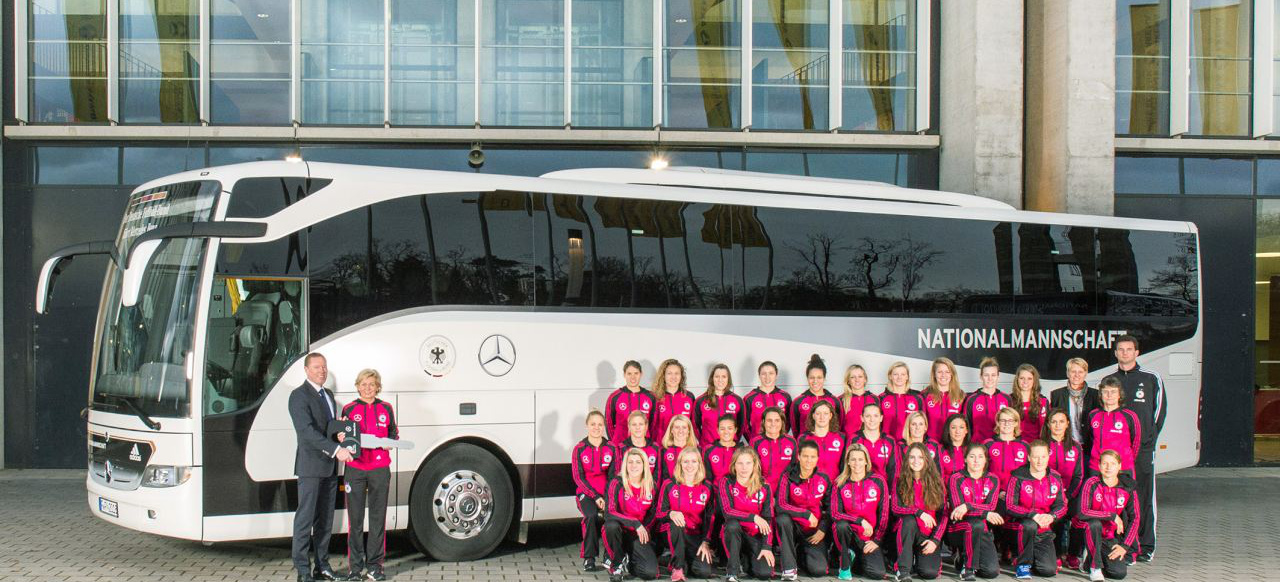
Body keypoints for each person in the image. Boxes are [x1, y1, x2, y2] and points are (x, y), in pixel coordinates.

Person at [1102, 334, 1165, 562]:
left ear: (1137, 352)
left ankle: (1146, 546)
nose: (1125, 353)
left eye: (1129, 349)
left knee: (1144, 498)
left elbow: (1159, 413)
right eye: (1121, 349)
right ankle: (1124, 546)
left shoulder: (1151, 378)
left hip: (1142, 452)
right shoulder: (1109, 379)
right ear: (1115, 353)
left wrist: (1148, 441)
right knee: (1118, 500)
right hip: (1115, 456)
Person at [288, 353, 350, 582]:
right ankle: (303, 571)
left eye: (324, 367)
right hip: (311, 467)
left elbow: (328, 428)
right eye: (316, 367)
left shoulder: (329, 395)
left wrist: (341, 432)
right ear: (306, 370)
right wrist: (336, 450)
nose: (321, 371)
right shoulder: (298, 396)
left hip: (329, 468)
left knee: (325, 521)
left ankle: (322, 566)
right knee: (305, 520)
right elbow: (306, 432)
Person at [340, 369, 398, 581]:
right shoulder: (349, 409)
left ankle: (375, 567)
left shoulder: (386, 408)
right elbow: (341, 436)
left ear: (377, 387)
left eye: (371, 384)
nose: (367, 388)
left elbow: (393, 433)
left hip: (380, 470)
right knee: (355, 520)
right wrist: (340, 437)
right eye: (363, 384)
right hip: (355, 468)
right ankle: (355, 569)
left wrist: (389, 443)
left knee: (377, 519)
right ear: (357, 386)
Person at [1002, 440, 1067, 580]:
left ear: (1048, 457)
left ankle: (1030, 556)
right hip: (1020, 527)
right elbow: (1009, 506)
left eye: (1043, 457)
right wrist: (1032, 515)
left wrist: (1052, 516)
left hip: (1044, 530)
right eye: (1036, 457)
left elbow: (1062, 505)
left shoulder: (1055, 477)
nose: (1039, 461)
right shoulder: (1017, 476)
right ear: (1028, 458)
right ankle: (1022, 564)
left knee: (1048, 570)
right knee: (1029, 525)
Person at [1072, 450, 1140, 582]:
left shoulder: (1127, 487)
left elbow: (1135, 518)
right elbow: (1082, 512)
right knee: (1094, 523)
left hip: (1108, 536)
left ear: (1119, 466)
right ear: (1099, 466)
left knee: (1119, 573)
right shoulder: (1092, 483)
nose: (1108, 467)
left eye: (1113, 464)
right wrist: (1112, 516)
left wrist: (1124, 546)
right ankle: (1095, 568)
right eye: (1105, 463)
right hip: (1086, 531)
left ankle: (1089, 560)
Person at [830, 444, 890, 581]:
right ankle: (844, 566)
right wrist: (860, 521)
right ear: (848, 462)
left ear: (866, 461)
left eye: (860, 459)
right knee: (841, 525)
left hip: (868, 538)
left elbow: (884, 514)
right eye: (853, 459)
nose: (857, 463)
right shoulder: (839, 483)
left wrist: (877, 540)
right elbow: (835, 513)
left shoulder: (878, 481)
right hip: (848, 534)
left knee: (878, 573)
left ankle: (854, 559)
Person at [774, 441, 832, 580]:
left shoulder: (823, 478)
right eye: (805, 456)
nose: (809, 460)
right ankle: (789, 568)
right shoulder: (787, 477)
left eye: (812, 457)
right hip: (793, 527)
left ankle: (801, 554)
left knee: (819, 571)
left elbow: (830, 508)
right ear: (798, 457)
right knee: (782, 519)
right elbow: (780, 504)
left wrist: (822, 529)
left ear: (818, 458)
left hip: (813, 530)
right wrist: (805, 514)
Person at [657, 448, 717, 581]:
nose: (690, 465)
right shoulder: (669, 484)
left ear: (699, 464)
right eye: (686, 462)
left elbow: (710, 517)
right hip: (673, 532)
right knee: (677, 523)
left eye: (694, 461)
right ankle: (677, 567)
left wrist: (705, 542)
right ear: (679, 464)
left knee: (703, 571)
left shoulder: (707, 486)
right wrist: (671, 513)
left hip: (694, 535)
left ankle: (681, 560)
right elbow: (659, 513)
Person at [890, 443, 948, 581]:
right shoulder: (899, 480)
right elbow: (896, 508)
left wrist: (935, 540)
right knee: (908, 520)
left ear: (927, 459)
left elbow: (943, 515)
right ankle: (903, 570)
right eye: (912, 457)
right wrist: (919, 512)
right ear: (907, 459)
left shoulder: (937, 482)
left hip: (928, 535)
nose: (916, 461)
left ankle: (917, 558)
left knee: (929, 573)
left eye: (920, 457)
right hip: (908, 532)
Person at [945, 443, 1001, 581]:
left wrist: (968, 505)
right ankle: (967, 567)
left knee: (991, 572)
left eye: (980, 457)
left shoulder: (993, 479)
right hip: (958, 528)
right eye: (972, 456)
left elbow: (991, 506)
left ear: (986, 460)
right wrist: (983, 513)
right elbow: (958, 510)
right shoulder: (956, 478)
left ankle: (963, 557)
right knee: (975, 524)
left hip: (982, 530)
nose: (976, 460)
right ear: (965, 459)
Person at [718, 448, 777, 581]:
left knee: (764, 573)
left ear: (754, 464)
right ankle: (732, 571)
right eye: (740, 463)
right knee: (732, 525)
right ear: (734, 465)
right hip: (734, 532)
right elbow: (727, 511)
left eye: (748, 463)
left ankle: (746, 560)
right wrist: (754, 517)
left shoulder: (764, 486)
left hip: (754, 535)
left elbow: (768, 519)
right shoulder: (726, 482)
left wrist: (767, 546)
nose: (744, 468)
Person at [603, 448, 660, 581]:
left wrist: (645, 530)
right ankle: (616, 563)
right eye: (630, 462)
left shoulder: (652, 486)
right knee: (611, 526)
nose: (634, 465)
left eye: (638, 462)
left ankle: (629, 562)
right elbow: (609, 512)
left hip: (637, 533)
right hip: (619, 531)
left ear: (644, 465)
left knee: (650, 573)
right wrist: (635, 523)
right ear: (625, 465)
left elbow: (653, 513)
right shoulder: (616, 483)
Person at [572, 410, 614, 573]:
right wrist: (595, 496)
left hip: (607, 493)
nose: (596, 427)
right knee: (590, 517)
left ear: (603, 426)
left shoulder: (611, 447)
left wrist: (606, 496)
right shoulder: (580, 448)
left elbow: (613, 474)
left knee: (612, 518)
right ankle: (589, 558)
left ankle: (609, 555)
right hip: (586, 493)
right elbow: (578, 477)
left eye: (600, 424)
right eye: (593, 424)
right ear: (587, 426)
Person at [1043, 408, 1084, 567]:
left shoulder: (1075, 446)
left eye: (1061, 421)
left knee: (1079, 516)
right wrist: (1054, 495)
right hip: (1048, 494)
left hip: (1070, 494)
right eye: (1053, 422)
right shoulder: (1042, 445)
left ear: (1067, 423)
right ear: (1048, 424)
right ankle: (1058, 553)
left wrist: (1068, 495)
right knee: (1056, 518)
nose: (1057, 425)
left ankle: (1073, 554)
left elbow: (1079, 475)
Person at [1083, 378, 1140, 477]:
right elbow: (1089, 440)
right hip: (1097, 467)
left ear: (1119, 395)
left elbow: (1136, 442)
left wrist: (1126, 460)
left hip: (1123, 468)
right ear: (1101, 395)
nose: (1109, 395)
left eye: (1113, 392)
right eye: (1105, 392)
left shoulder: (1129, 416)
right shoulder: (1093, 415)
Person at [1049, 358, 1100, 444]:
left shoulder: (1096, 395)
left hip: (1089, 446)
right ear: (1068, 373)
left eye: (1080, 372)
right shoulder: (1057, 395)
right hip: (1065, 444)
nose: (1077, 375)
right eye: (1073, 371)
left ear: (1086, 374)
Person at [848, 402, 898, 485]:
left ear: (881, 418)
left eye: (875, 416)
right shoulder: (854, 439)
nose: (872, 419)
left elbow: (894, 470)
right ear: (862, 418)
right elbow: (847, 466)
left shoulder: (889, 441)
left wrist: (890, 492)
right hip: (859, 488)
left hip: (883, 489)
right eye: (868, 416)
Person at [791, 354, 841, 437]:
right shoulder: (798, 402)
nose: (815, 381)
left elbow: (839, 426)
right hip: (805, 447)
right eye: (812, 377)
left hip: (829, 447)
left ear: (824, 378)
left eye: (819, 377)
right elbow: (795, 430)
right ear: (807, 378)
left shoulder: (835, 401)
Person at [695, 363, 744, 445]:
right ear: (712, 378)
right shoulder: (700, 400)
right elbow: (695, 426)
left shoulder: (737, 400)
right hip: (708, 449)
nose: (720, 380)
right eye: (717, 376)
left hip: (731, 449)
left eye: (724, 377)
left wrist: (733, 442)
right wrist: (704, 442)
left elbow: (742, 426)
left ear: (728, 379)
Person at [750, 407, 798, 492]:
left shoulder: (791, 441)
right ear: (763, 422)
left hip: (786, 490)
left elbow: (795, 469)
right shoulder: (756, 442)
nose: (773, 424)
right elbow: (753, 470)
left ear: (782, 422)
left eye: (777, 420)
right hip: (763, 490)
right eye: (769, 420)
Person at [606, 360, 654, 443]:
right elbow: (609, 423)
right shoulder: (614, 397)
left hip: (643, 447)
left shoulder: (650, 397)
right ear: (624, 375)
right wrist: (614, 444)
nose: (633, 377)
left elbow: (654, 425)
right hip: (620, 446)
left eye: (636, 373)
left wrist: (650, 444)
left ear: (641, 374)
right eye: (629, 374)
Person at [964, 358, 1011, 443]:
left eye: (993, 375)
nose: (990, 378)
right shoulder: (972, 399)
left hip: (1000, 447)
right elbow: (966, 426)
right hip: (978, 448)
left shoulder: (1006, 399)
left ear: (998, 376)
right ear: (981, 376)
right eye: (986, 375)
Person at [985, 407, 1029, 495]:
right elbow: (982, 471)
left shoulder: (1025, 446)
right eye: (1003, 420)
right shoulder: (988, 444)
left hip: (1019, 494)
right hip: (993, 493)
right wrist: (997, 491)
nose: (1006, 424)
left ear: (1016, 423)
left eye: (1010, 421)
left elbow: (1029, 473)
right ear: (997, 422)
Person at [743, 361, 792, 440]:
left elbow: (789, 422)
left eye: (771, 373)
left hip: (779, 444)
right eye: (764, 374)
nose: (767, 377)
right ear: (759, 376)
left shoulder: (785, 397)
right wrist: (753, 441)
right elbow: (744, 425)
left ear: (776, 375)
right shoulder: (749, 398)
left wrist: (781, 438)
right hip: (757, 446)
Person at [922, 358, 966, 443]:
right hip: (931, 446)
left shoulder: (961, 396)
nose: (943, 375)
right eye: (939, 372)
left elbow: (965, 425)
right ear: (934, 374)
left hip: (953, 446)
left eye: (947, 372)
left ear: (952, 374)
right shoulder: (924, 395)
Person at [799, 400, 844, 480]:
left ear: (830, 416)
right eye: (818, 413)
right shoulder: (803, 438)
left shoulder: (841, 438)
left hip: (835, 486)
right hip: (812, 487)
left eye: (825, 414)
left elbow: (844, 466)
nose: (822, 417)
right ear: (813, 416)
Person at [652, 359, 695, 444]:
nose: (673, 377)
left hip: (684, 447)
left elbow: (694, 425)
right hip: (661, 446)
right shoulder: (655, 397)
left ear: (681, 376)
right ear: (663, 376)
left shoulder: (689, 397)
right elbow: (650, 425)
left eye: (676, 373)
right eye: (669, 373)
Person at [880, 362, 923, 441]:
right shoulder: (882, 398)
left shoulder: (917, 398)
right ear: (890, 376)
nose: (899, 377)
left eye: (903, 374)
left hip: (910, 444)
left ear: (907, 377)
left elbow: (923, 423)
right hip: (887, 444)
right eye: (896, 374)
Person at [617, 410, 663, 483]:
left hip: (650, 492)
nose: (637, 427)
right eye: (634, 424)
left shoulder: (655, 447)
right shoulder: (621, 448)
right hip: (628, 491)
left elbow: (657, 475)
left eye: (641, 424)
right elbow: (620, 475)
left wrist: (651, 492)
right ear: (629, 426)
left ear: (646, 426)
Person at [1010, 364, 1049, 443]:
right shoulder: (1008, 400)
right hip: (1016, 446)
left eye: (1029, 378)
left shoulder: (1043, 401)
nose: (1025, 382)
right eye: (1022, 378)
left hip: (1037, 447)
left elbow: (1047, 428)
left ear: (1034, 381)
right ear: (1017, 379)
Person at [838, 364, 879, 438]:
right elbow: (837, 427)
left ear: (865, 379)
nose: (857, 380)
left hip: (869, 444)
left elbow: (879, 424)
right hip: (849, 445)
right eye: (853, 377)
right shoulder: (841, 400)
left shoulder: (874, 399)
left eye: (860, 376)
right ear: (848, 381)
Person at [703, 414, 740, 488]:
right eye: (722, 429)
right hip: (715, 494)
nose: (726, 432)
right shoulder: (709, 450)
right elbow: (707, 479)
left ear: (735, 430)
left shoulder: (742, 450)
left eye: (730, 428)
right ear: (717, 430)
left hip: (737, 494)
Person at [661, 415, 700, 480]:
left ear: (689, 431)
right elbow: (662, 477)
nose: (680, 431)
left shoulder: (698, 450)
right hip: (670, 488)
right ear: (671, 430)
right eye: (677, 427)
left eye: (684, 427)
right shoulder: (663, 451)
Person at [938, 414, 971, 484]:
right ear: (948, 430)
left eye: (961, 427)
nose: (957, 431)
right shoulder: (940, 450)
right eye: (953, 427)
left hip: (968, 492)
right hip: (946, 491)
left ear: (966, 430)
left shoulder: (972, 450)